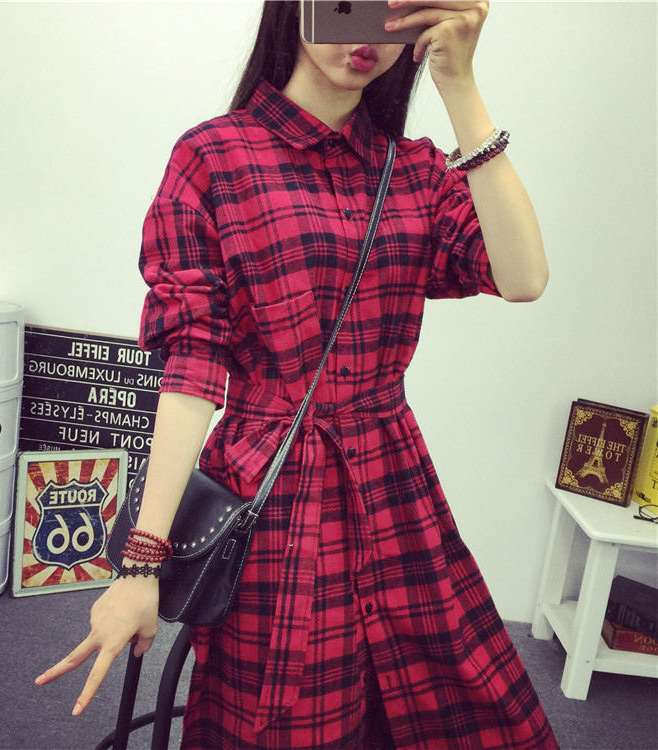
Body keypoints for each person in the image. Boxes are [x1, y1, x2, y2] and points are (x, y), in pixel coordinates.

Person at [36, 1, 559, 747]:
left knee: (447, 697)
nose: (368, 33)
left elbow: (524, 276)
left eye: (393, 12)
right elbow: (193, 366)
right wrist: (141, 563)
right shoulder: (214, 158)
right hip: (275, 491)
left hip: (393, 483)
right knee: (290, 716)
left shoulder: (411, 170)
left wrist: (461, 86)